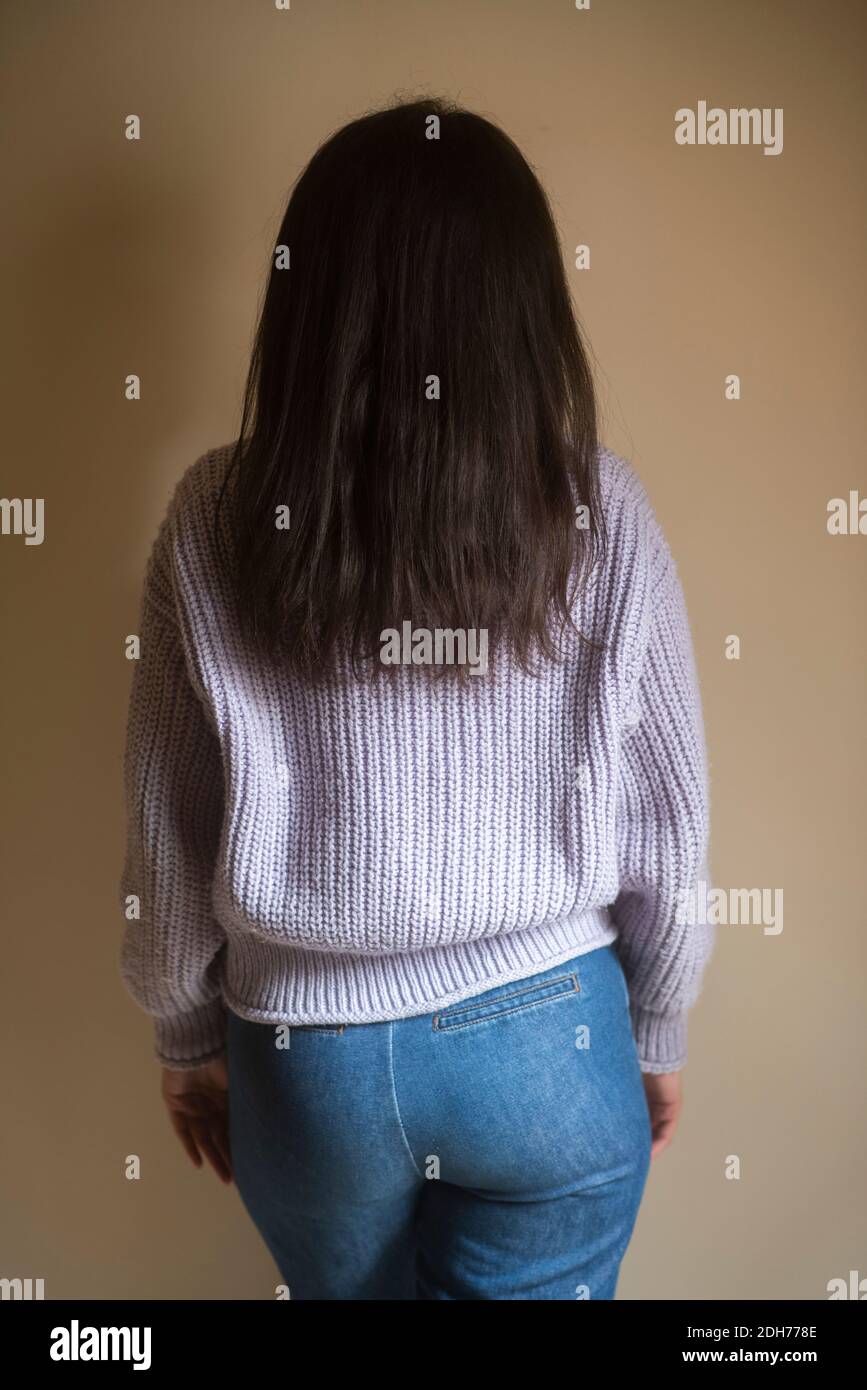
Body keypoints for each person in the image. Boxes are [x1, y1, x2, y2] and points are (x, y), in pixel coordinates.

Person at [119, 96, 716, 1301]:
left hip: (310, 1062)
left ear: (308, 303)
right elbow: (670, 825)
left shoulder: (210, 520)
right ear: (523, 310)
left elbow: (168, 832)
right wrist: (656, 1028)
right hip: (554, 1043)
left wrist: (185, 1037)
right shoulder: (603, 510)